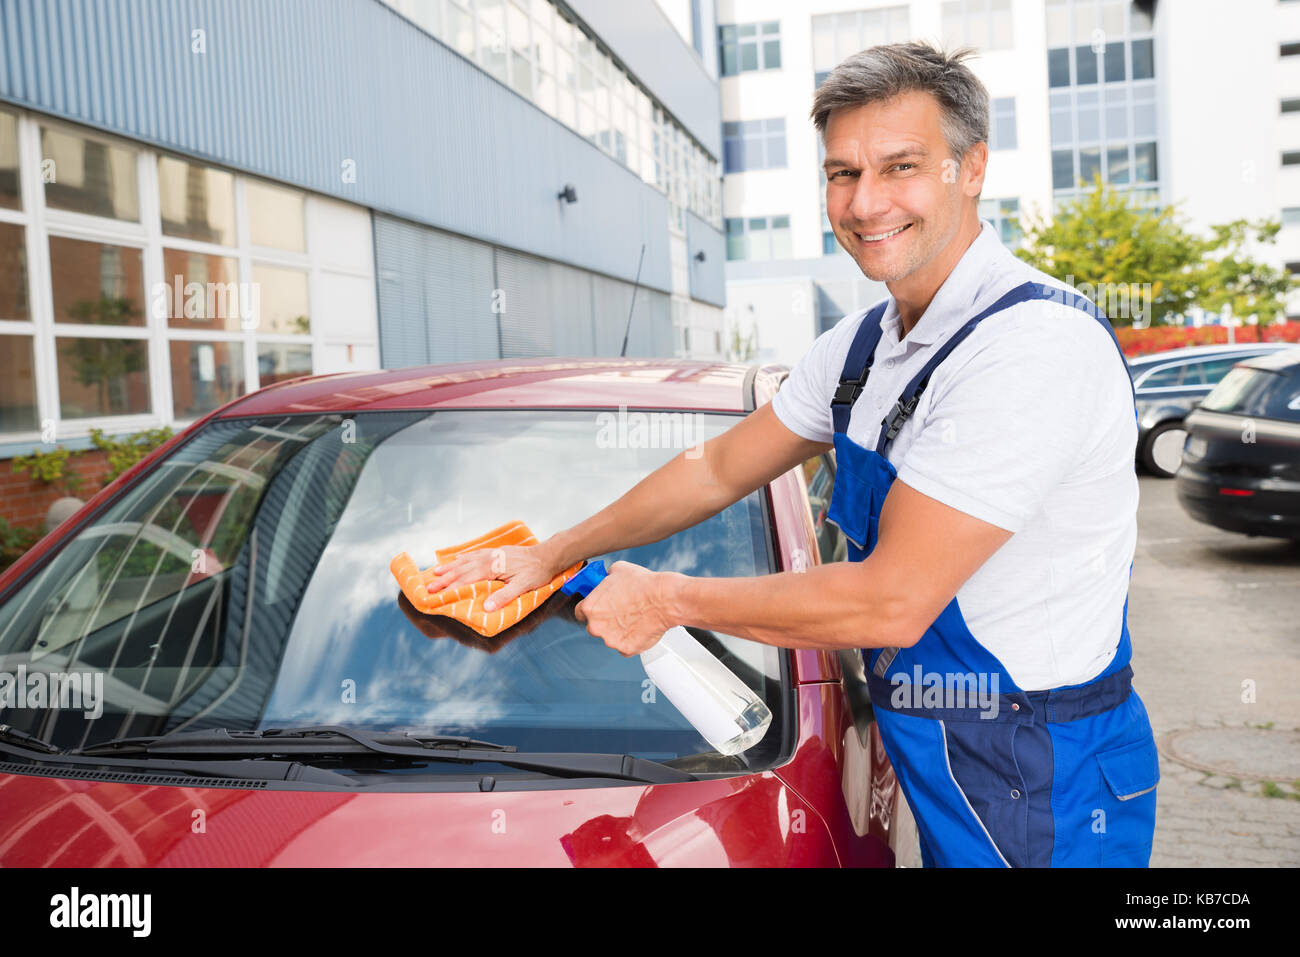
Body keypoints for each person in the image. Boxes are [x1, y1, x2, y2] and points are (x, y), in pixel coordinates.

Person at [426, 41, 1159, 868]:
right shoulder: (863, 348)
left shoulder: (1032, 347)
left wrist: (666, 599)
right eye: (842, 172)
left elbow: (891, 602)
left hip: (1043, 774)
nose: (865, 200)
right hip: (939, 749)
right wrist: (555, 551)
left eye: (901, 166)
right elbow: (714, 469)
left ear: (972, 167)